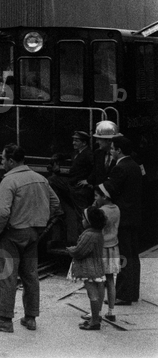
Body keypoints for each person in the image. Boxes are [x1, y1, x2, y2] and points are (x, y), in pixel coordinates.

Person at [0, 144, 61, 333]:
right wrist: (41, 222)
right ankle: (31, 317)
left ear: (11, 161)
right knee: (30, 276)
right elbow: (56, 203)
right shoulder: (40, 178)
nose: (1, 163)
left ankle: (5, 319)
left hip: (11, 234)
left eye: (2, 159)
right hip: (34, 234)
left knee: (7, 277)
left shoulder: (9, 181)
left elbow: (1, 213)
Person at [100, 136, 142, 305]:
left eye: (112, 149)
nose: (111, 151)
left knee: (123, 255)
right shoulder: (135, 165)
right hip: (135, 215)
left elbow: (109, 190)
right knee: (132, 255)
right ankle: (132, 292)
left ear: (119, 150)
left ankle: (123, 294)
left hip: (122, 217)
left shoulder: (120, 168)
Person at [67, 206, 107, 330]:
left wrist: (70, 250)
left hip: (90, 270)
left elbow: (80, 251)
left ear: (90, 222)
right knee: (98, 293)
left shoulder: (89, 235)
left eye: (84, 219)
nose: (82, 221)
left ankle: (94, 322)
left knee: (92, 295)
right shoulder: (98, 233)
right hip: (98, 268)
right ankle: (96, 316)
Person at [93, 186, 120, 321]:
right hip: (114, 247)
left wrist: (94, 207)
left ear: (104, 196)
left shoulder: (101, 211)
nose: (95, 199)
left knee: (100, 281)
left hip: (102, 248)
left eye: (96, 196)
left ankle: (96, 312)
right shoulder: (117, 209)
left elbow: (93, 226)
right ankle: (111, 311)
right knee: (110, 280)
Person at [90, 120, 121, 186]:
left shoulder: (125, 155)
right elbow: (95, 172)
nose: (97, 142)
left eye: (99, 139)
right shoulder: (97, 153)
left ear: (109, 140)